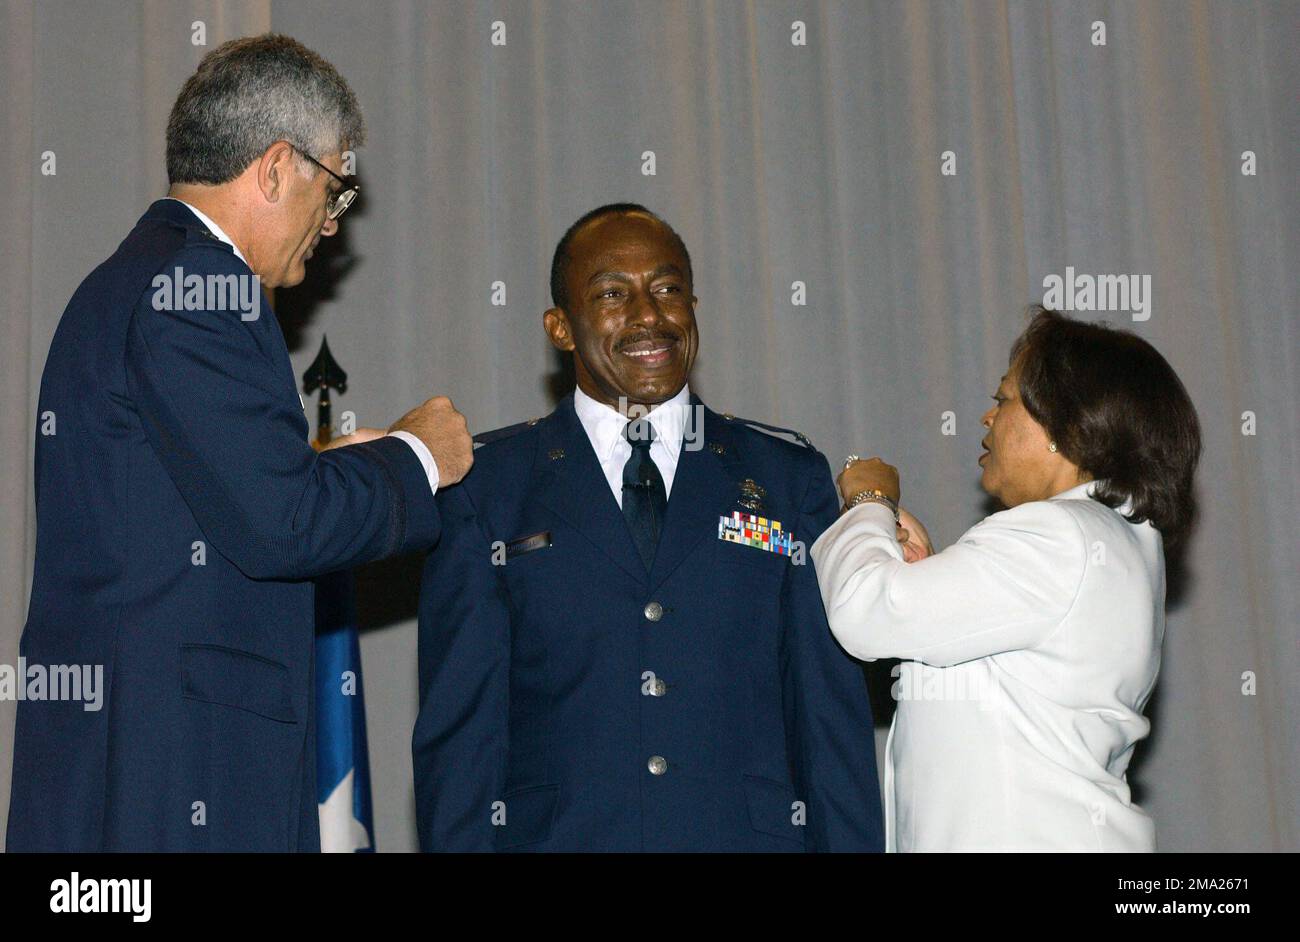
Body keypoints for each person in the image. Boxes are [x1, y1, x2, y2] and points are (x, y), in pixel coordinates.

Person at [7, 35, 473, 852]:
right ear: (275, 168)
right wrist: (418, 455)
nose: (334, 223)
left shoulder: (128, 281)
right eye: (335, 189)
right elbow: (282, 524)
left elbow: (206, 505)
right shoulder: (205, 291)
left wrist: (335, 470)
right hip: (180, 778)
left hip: (129, 770)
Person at [413, 203, 883, 851]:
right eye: (612, 293)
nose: (648, 315)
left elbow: (829, 723)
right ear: (560, 327)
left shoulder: (783, 477)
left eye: (667, 289)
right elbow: (461, 740)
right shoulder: (487, 487)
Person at [811, 307, 1201, 851]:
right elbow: (1007, 691)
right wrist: (927, 577)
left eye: (1003, 400)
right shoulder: (1101, 541)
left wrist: (867, 500)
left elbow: (865, 611)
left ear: (1066, 424)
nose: (987, 420)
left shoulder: (1060, 535)